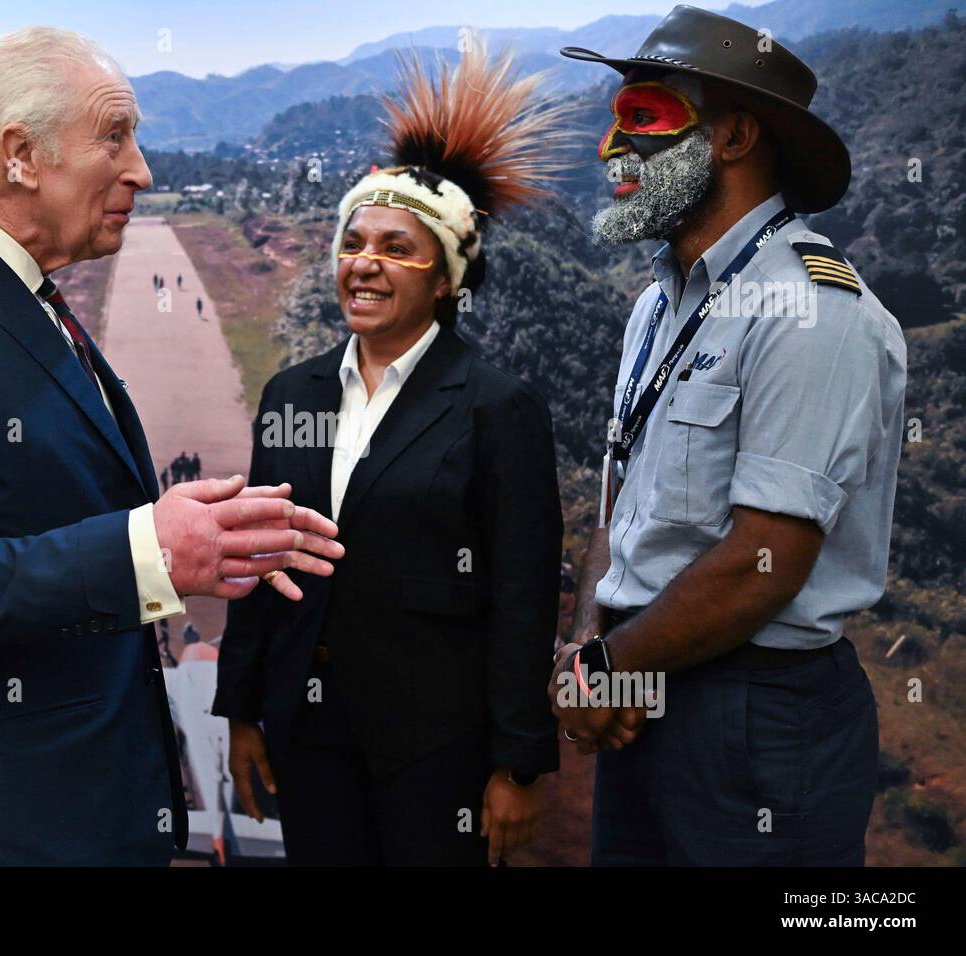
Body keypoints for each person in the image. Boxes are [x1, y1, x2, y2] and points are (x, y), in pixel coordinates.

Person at [0, 26, 342, 866]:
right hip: (7, 826)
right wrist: (149, 551)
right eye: (114, 136)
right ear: (20, 154)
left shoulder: (26, 301)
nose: (142, 170)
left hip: (91, 807)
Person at [553, 4, 906, 866]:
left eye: (645, 118)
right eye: (616, 119)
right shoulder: (656, 303)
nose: (613, 148)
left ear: (735, 135)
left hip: (758, 715)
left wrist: (605, 668)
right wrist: (589, 645)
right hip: (643, 685)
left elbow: (765, 562)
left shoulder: (815, 311)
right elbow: (622, 512)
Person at [213, 41, 568, 866]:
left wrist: (517, 762)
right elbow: (259, 555)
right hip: (309, 730)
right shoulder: (294, 394)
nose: (365, 263)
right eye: (353, 242)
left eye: (397, 248)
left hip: (435, 746)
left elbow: (523, 595)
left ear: (445, 280)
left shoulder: (496, 408)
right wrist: (242, 711)